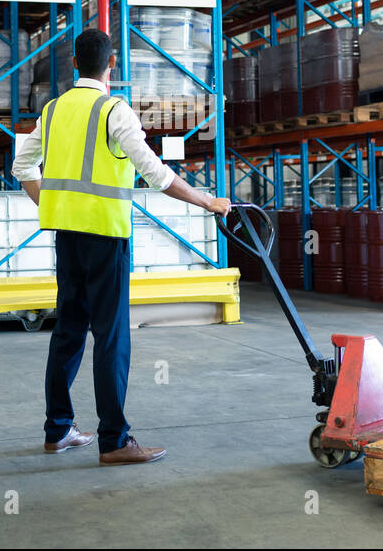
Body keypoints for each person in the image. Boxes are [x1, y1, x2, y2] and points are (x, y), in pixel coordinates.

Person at [12, 28, 231, 465]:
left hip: (66, 237)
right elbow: (155, 173)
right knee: (111, 336)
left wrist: (52, 206)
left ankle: (58, 430)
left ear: (74, 63)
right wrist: (210, 201)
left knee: (68, 331)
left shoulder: (52, 111)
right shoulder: (115, 111)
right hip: (106, 239)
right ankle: (114, 440)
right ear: (111, 65)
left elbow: (22, 165)